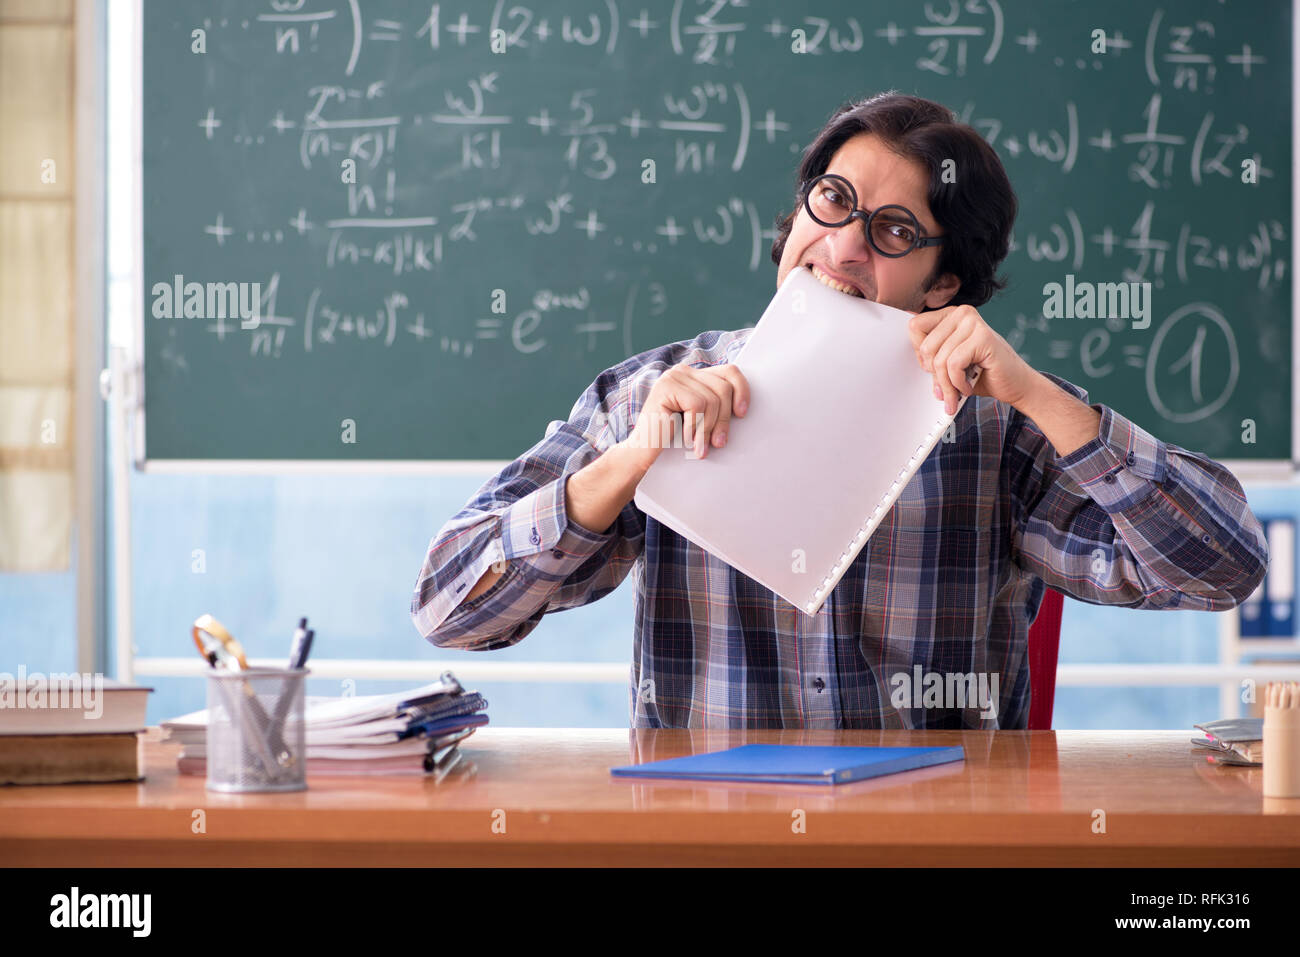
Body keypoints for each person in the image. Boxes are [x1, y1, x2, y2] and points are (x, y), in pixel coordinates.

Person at [410, 91, 1268, 729]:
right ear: (797, 217)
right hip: (708, 834)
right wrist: (630, 463)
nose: (845, 243)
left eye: (895, 231)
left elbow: (1222, 566)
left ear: (944, 284)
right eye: (833, 201)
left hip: (935, 838)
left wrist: (1039, 394)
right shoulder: (652, 396)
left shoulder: (998, 428)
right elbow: (449, 610)